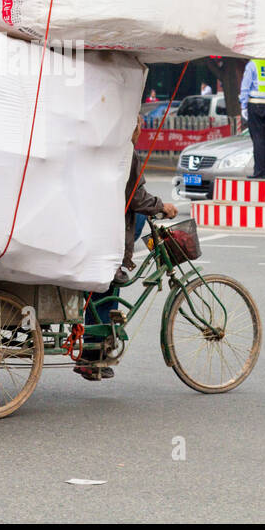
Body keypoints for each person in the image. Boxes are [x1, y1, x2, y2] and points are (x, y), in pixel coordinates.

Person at [75, 122, 176, 382]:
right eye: (138, 123)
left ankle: (95, 352)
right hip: (110, 237)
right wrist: (163, 206)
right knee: (108, 288)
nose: (140, 128)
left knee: (105, 288)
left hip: (95, 232)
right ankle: (92, 355)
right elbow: (137, 197)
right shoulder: (125, 152)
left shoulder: (103, 149)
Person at [239, 55, 265, 178]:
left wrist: (243, 105)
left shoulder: (252, 64)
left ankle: (258, 172)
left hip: (255, 105)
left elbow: (245, 87)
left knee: (257, 139)